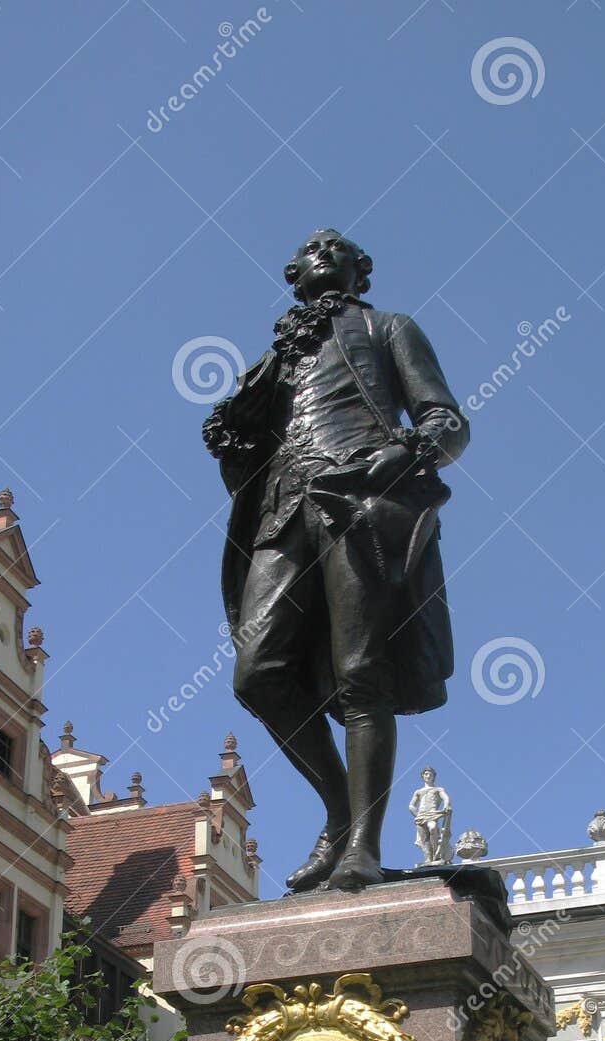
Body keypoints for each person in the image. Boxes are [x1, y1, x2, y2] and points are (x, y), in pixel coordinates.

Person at [204, 228, 469, 891]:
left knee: (361, 675)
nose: (323, 249)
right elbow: (246, 448)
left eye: (338, 246)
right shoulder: (278, 359)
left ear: (359, 270)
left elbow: (447, 420)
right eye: (311, 248)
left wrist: (405, 453)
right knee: (257, 673)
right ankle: (339, 810)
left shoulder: (388, 330)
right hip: (282, 510)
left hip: (355, 500)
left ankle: (364, 848)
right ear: (295, 275)